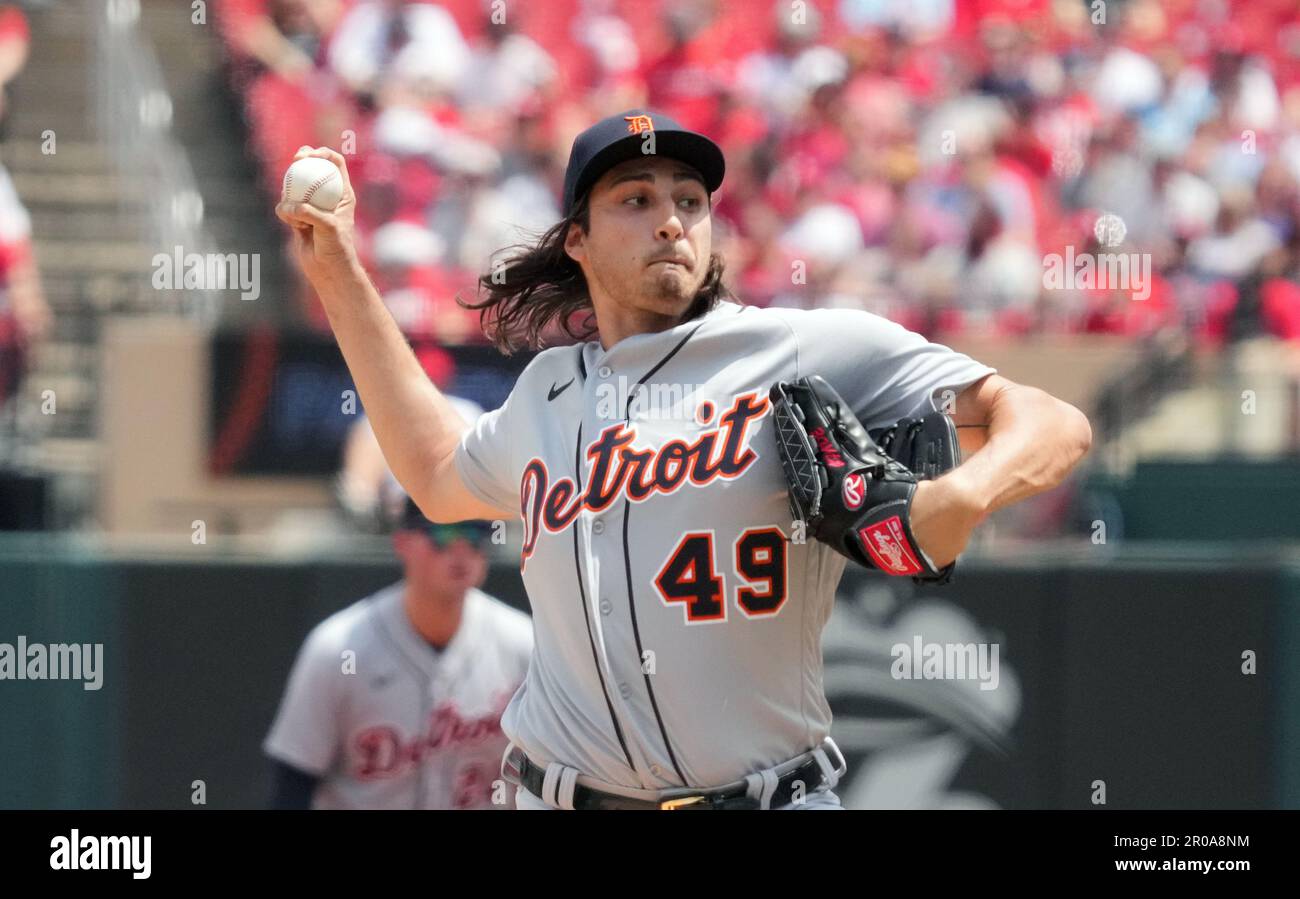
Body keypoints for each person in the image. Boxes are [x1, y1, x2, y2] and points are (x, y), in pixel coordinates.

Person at [275, 108, 1091, 810]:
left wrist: (966, 494)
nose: (672, 219)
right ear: (579, 244)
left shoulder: (806, 347)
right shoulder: (547, 393)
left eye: (690, 200)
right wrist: (338, 266)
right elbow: (434, 474)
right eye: (636, 198)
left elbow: (1053, 420)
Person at [263, 498, 532, 809]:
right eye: (444, 535)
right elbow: (293, 782)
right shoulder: (338, 649)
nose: (461, 550)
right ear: (402, 542)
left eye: (476, 536)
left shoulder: (523, 644)